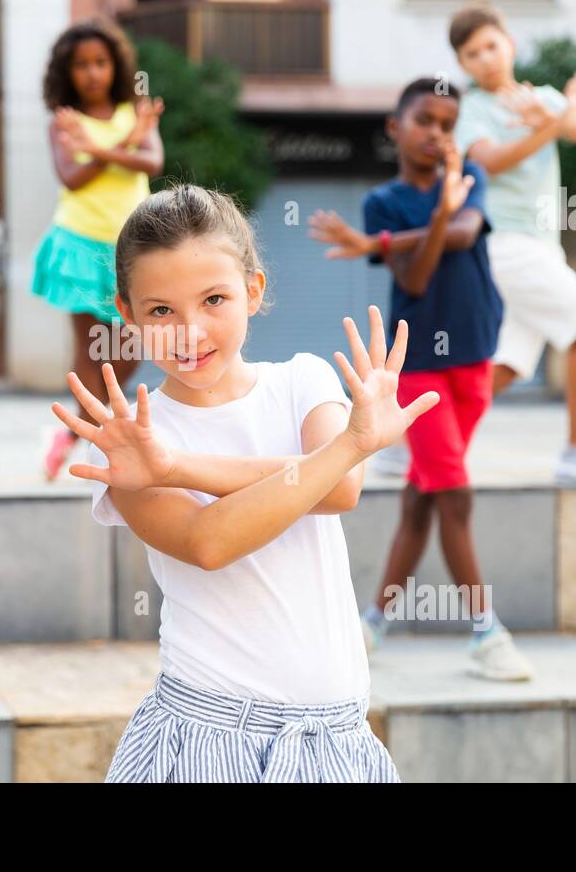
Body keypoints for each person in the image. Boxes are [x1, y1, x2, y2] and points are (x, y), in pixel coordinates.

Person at [54, 185, 439, 782]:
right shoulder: (129, 437)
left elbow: (340, 489)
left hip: (336, 738)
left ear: (253, 291)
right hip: (208, 738)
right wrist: (342, 451)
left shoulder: (302, 381)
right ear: (125, 314)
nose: (190, 331)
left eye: (214, 299)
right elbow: (209, 542)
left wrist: (178, 467)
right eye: (160, 311)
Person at [309, 78, 533, 680]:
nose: (438, 134)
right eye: (425, 121)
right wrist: (432, 216)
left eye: (448, 124)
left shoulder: (471, 179)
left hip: (476, 355)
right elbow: (415, 279)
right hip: (419, 367)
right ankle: (486, 632)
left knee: (424, 493)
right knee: (454, 492)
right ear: (394, 128)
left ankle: (371, 626)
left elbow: (464, 235)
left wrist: (378, 244)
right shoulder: (384, 199)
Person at [450, 2, 576, 485]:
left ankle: (414, 447)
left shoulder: (540, 97)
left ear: (509, 43)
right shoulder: (472, 110)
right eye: (472, 54)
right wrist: (554, 121)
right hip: (507, 245)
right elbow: (492, 161)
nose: (486, 58)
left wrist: (561, 114)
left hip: (540, 246)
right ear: (462, 65)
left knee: (504, 368)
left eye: (491, 45)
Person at [31, 17, 164, 480]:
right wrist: (116, 147)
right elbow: (71, 175)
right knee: (91, 349)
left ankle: (73, 434)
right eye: (81, 64)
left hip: (133, 246)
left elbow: (152, 160)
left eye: (101, 62)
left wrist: (106, 145)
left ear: (116, 65)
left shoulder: (135, 113)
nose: (92, 73)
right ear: (66, 73)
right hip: (79, 242)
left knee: (132, 349)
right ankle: (93, 443)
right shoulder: (65, 122)